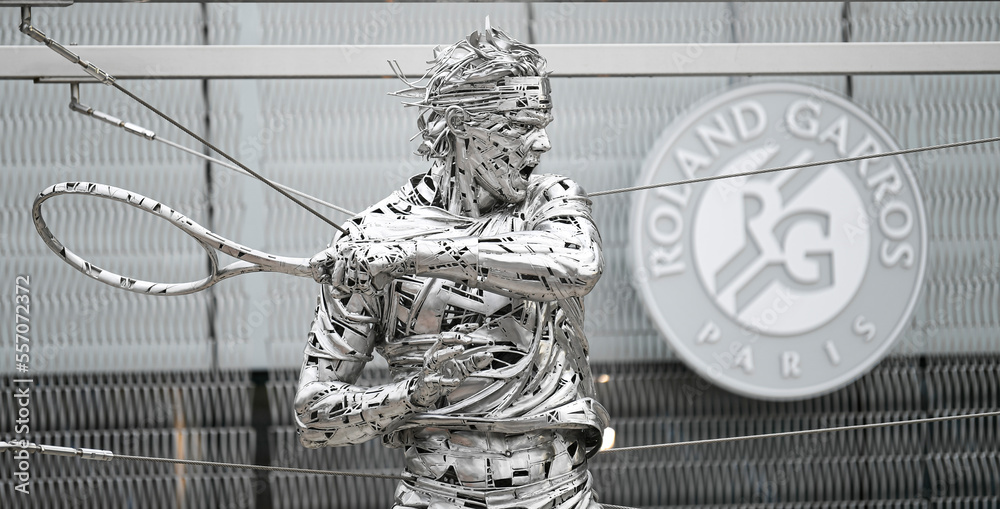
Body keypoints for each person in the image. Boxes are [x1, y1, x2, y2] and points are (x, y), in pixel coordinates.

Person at [294, 22, 608, 509]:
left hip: (560, 494)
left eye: (543, 123)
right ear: (461, 123)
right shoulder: (371, 235)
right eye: (521, 125)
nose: (542, 143)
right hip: (435, 494)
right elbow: (316, 417)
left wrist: (414, 254)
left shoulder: (549, 202)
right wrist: (414, 394)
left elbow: (576, 265)